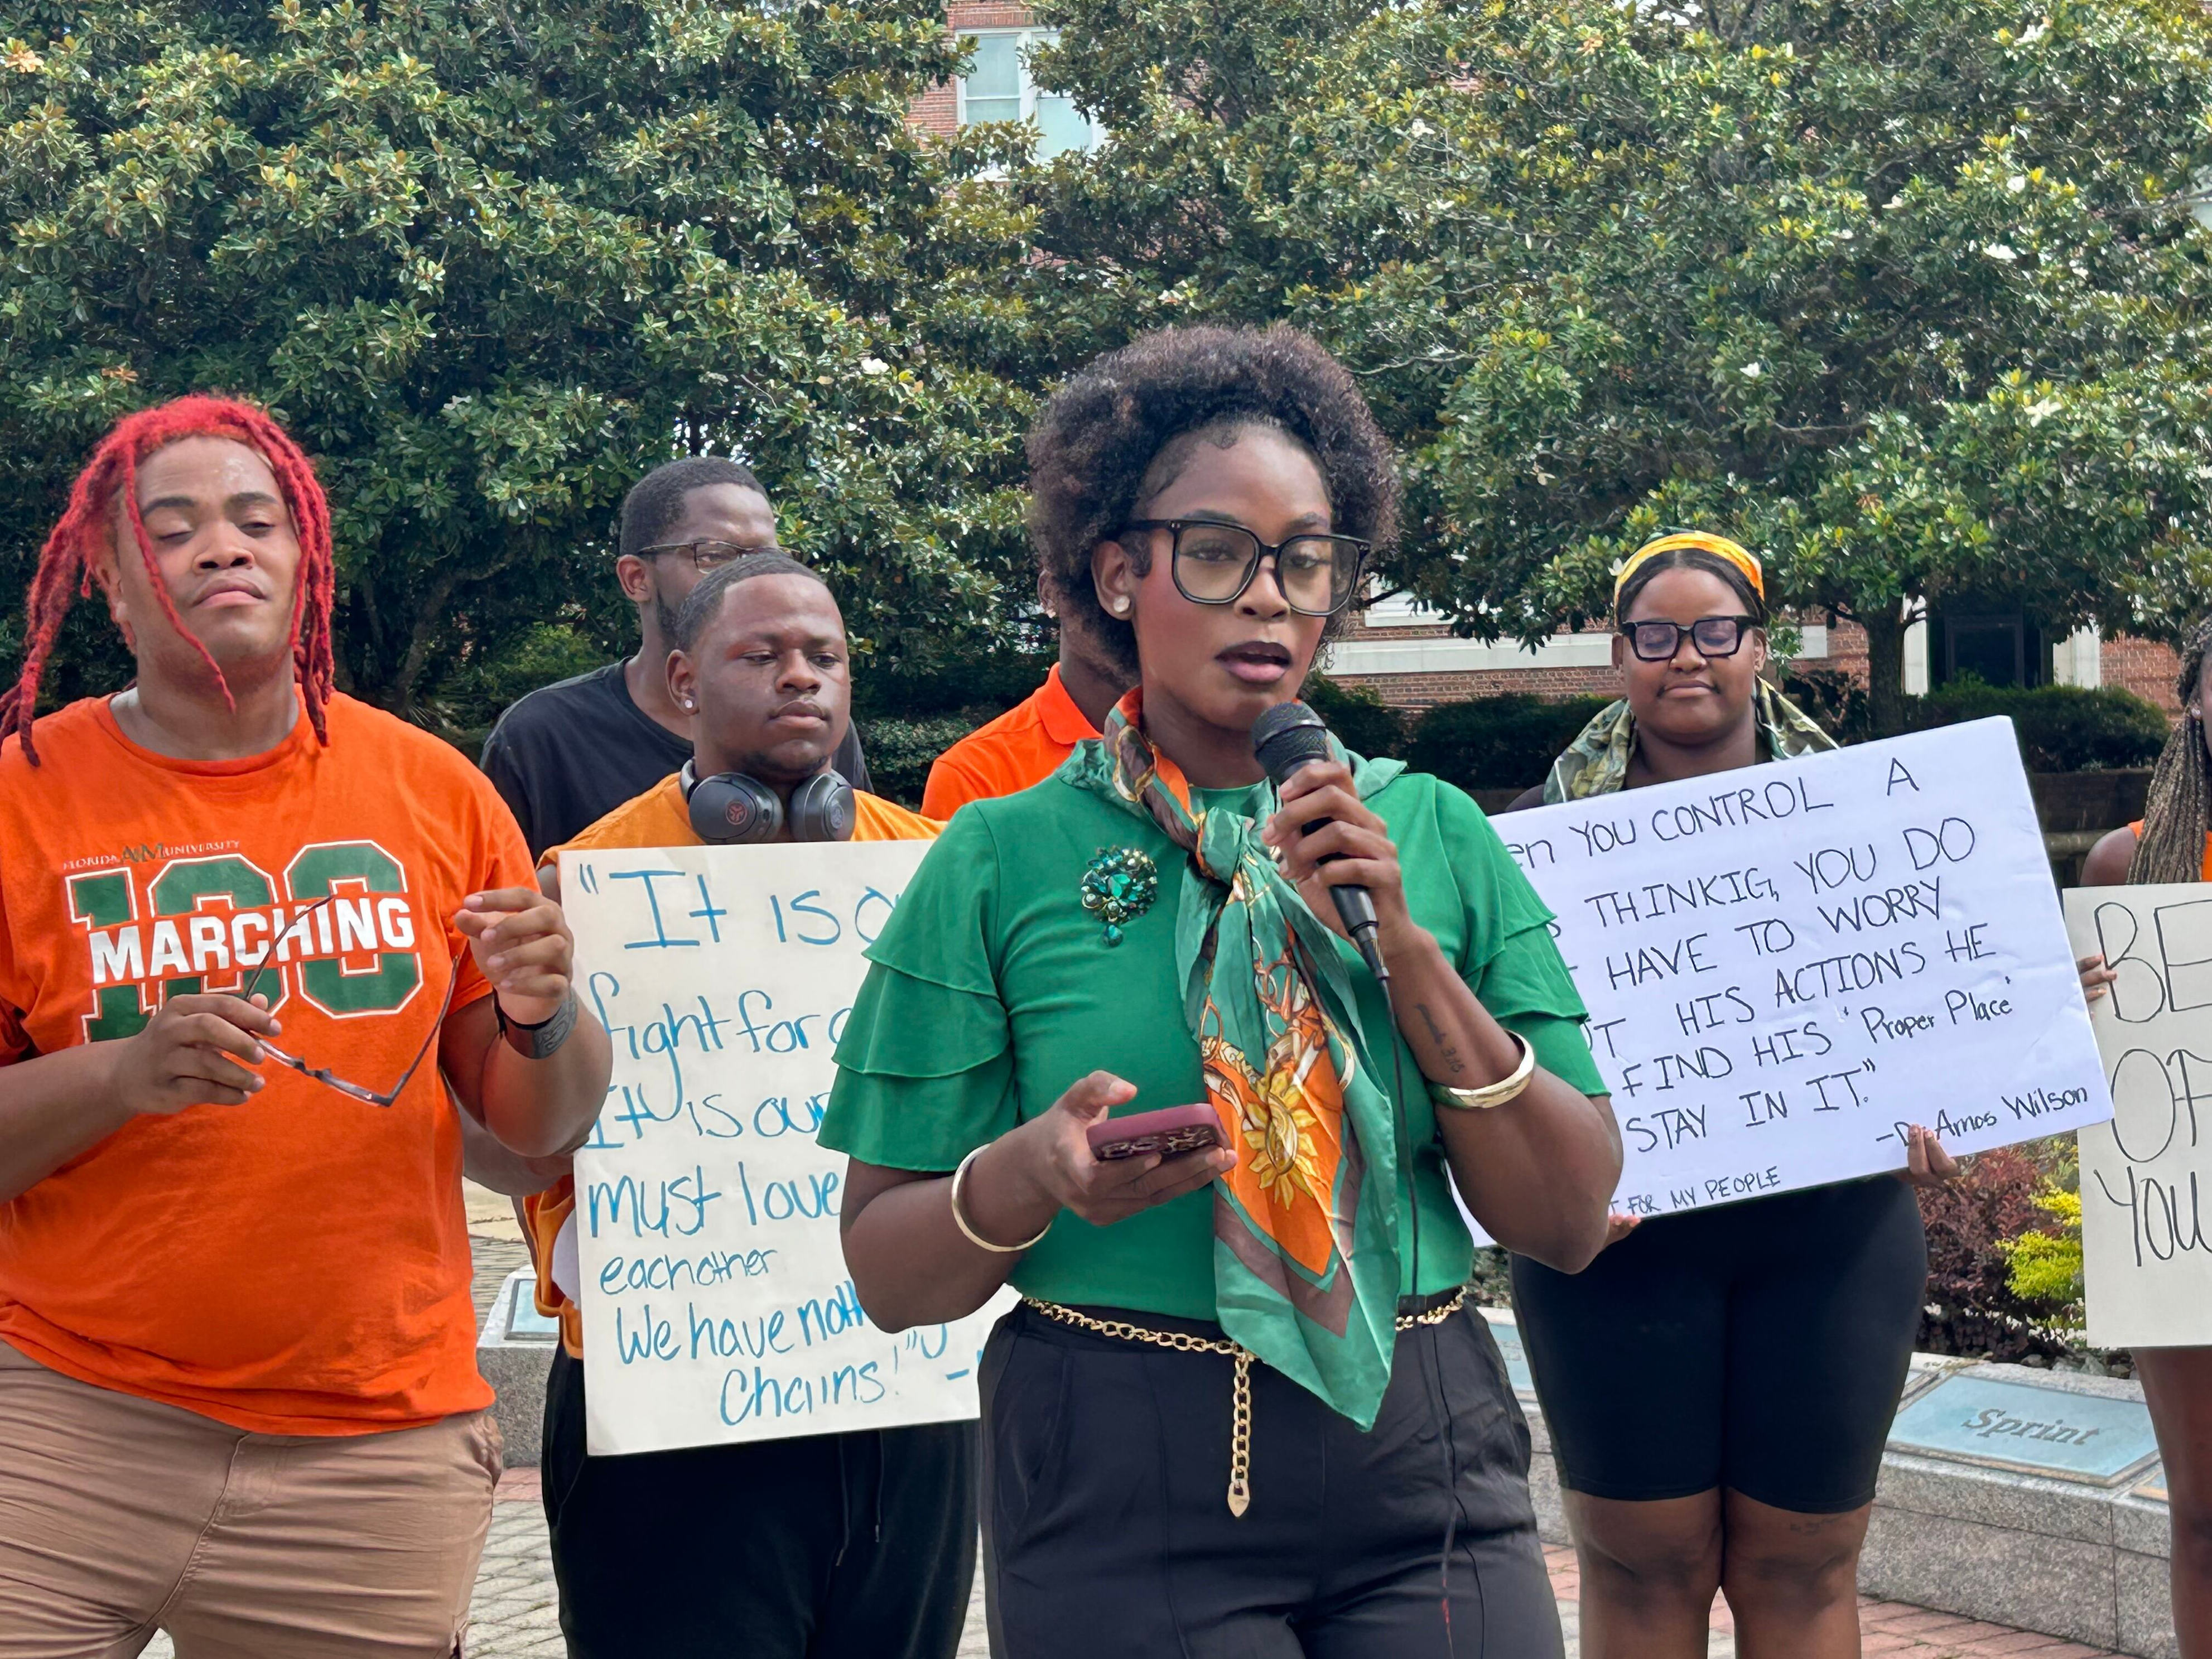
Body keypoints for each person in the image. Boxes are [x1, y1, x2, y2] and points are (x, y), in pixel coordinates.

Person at [823, 324, 1623, 1658]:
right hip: (1118, 1454)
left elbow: (1567, 1214)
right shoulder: (997, 855)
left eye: (1304, 559)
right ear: (1116, 571)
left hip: (1420, 1449)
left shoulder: (1429, 832)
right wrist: (1027, 1175)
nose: (1267, 597)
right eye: (1216, 551)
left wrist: (1405, 951)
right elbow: (887, 1272)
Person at [0, 397, 610, 1658]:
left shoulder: (434, 789)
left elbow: (535, 1139)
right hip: (61, 1419)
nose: (221, 545)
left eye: (254, 519)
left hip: (371, 1453)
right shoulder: (22, 797)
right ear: (109, 578)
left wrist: (548, 1013)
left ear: (305, 555)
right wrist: (121, 1074)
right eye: (173, 528)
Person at [473, 554, 971, 1659]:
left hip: (901, 1397)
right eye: (763, 653)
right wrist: (532, 1008)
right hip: (665, 1399)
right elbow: (510, 1135)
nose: (801, 675)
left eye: (824, 655)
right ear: (685, 681)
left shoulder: (934, 869)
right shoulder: (581, 883)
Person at [1503, 532, 1958, 1659]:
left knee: (1801, 1564)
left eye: (1715, 630)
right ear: (1618, 655)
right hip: (1615, 1242)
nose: (1686, 656)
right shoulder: (1529, 837)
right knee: (1640, 1562)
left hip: (1833, 1231)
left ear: (1759, 648)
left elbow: (1941, 1003)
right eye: (1655, 634)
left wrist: (1972, 1083)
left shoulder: (1871, 823)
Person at [479, 455, 868, 858]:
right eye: (713, 555)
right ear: (637, 578)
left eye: (766, 558)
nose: (751, 577)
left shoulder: (811, 725)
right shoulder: (541, 736)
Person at [2077, 620, 2212, 1657]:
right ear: (2195, 698)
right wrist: (2068, 1007)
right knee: (2207, 1510)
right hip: (2184, 1220)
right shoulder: (2129, 863)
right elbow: (2089, 1066)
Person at [919, 574, 1127, 818]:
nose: (1123, 601)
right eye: (1109, 575)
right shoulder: (974, 776)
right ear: (1050, 593)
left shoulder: (1171, 750)